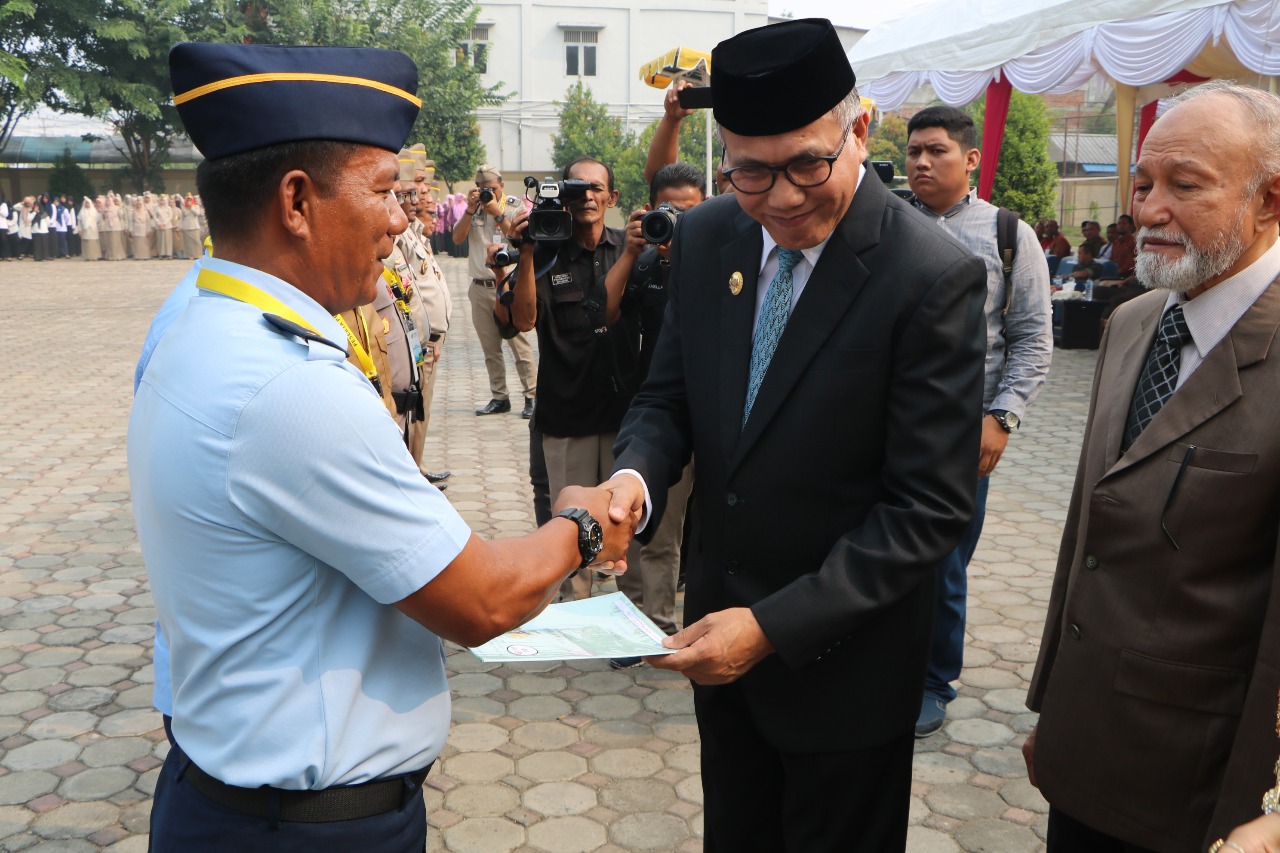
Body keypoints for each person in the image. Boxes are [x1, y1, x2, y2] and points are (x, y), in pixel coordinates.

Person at [133, 41, 633, 851]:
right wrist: (579, 526)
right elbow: (482, 602)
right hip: (305, 828)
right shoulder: (288, 385)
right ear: (296, 201)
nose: (401, 218)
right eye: (383, 191)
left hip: (221, 795)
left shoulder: (192, 317)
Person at [600, 18, 987, 852]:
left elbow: (927, 509)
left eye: (807, 164)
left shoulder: (929, 276)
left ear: (860, 129)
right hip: (718, 651)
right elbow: (666, 398)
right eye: (749, 170)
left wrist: (771, 625)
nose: (779, 197)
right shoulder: (707, 238)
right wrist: (631, 480)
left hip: (843, 670)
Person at [1023, 80, 1280, 853]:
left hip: (1205, 790)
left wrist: (1268, 807)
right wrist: (1051, 713)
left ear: (1270, 199)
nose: (1148, 210)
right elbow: (1085, 534)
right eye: (1141, 183)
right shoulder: (1133, 323)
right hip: (1083, 754)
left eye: (1184, 185)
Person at [904, 105, 1053, 736]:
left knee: (942, 560)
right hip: (888, 422)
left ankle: (935, 680)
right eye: (913, 151)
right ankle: (883, 663)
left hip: (964, 434)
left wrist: (1002, 418)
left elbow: (1031, 338)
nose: (919, 162)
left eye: (935, 151)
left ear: (970, 160)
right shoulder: (888, 227)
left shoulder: (1007, 234)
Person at [506, 155, 637, 602]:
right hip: (567, 411)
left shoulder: (628, 249)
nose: (587, 197)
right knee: (571, 525)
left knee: (625, 520)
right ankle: (573, 613)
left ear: (612, 198)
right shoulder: (544, 253)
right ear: (561, 196)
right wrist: (524, 252)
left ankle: (630, 618)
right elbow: (523, 321)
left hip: (624, 412)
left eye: (596, 188)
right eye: (576, 189)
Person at [606, 161, 707, 662]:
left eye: (688, 213)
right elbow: (604, 316)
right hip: (661, 418)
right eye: (667, 211)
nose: (676, 222)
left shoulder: (719, 265)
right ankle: (638, 626)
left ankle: (673, 624)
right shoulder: (645, 264)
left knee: (693, 535)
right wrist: (633, 252)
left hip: (713, 418)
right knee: (650, 529)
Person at [451, 164, 536, 417]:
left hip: (509, 286)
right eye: (482, 188)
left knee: (519, 345)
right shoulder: (473, 208)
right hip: (479, 287)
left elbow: (520, 241)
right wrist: (469, 210)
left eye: (492, 188)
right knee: (490, 349)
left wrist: (498, 214)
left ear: (501, 185)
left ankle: (532, 396)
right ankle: (500, 397)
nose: (487, 192)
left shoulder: (514, 207)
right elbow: (456, 239)